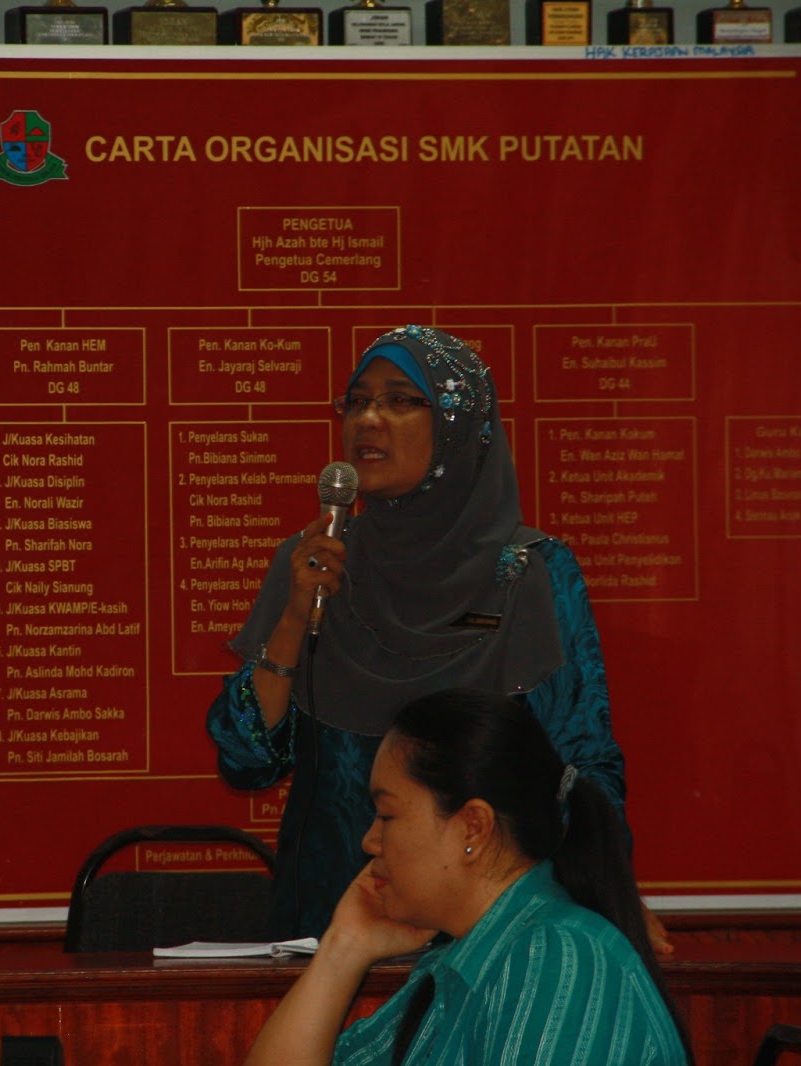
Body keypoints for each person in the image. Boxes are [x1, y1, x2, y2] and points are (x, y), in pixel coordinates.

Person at [207, 324, 639, 943]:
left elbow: (584, 769)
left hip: (487, 938)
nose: (368, 419)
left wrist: (599, 895)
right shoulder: (313, 563)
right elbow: (246, 763)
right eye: (357, 401)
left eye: (401, 400)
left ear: (458, 428)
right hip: (329, 926)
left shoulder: (528, 574)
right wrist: (295, 616)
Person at [242, 689, 691, 1066]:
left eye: (386, 815)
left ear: (472, 827)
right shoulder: (453, 965)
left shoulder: (558, 957)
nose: (370, 841)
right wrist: (343, 950)